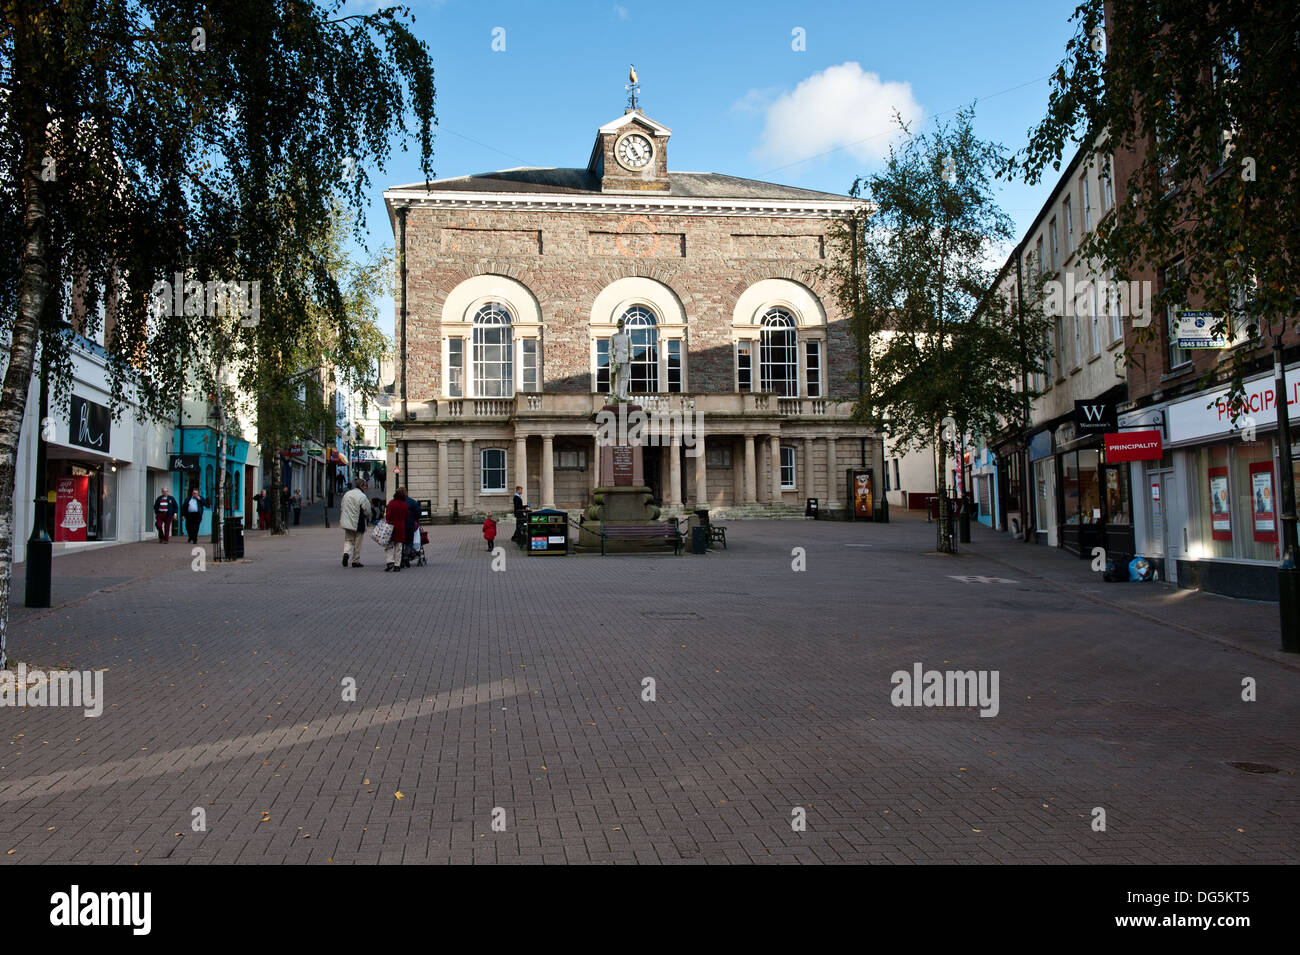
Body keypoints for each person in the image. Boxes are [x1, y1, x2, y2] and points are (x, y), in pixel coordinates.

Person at [339, 477, 369, 568]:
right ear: (361, 486)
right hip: (358, 522)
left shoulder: (347, 494)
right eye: (365, 486)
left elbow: (342, 506)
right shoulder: (362, 496)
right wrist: (368, 516)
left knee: (348, 540)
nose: (366, 487)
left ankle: (346, 553)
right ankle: (355, 560)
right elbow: (367, 510)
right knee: (357, 542)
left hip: (347, 521)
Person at [383, 488, 409, 572]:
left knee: (389, 546)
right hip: (401, 528)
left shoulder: (391, 503)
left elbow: (387, 516)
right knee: (399, 547)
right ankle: (397, 565)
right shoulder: (404, 505)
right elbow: (407, 517)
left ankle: (390, 562)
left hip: (391, 528)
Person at [402, 493, 422, 567]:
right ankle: (406, 556)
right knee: (409, 541)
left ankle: (400, 558)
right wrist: (415, 519)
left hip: (399, 526)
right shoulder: (412, 501)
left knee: (400, 542)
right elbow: (418, 512)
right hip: (410, 525)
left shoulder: (394, 502)